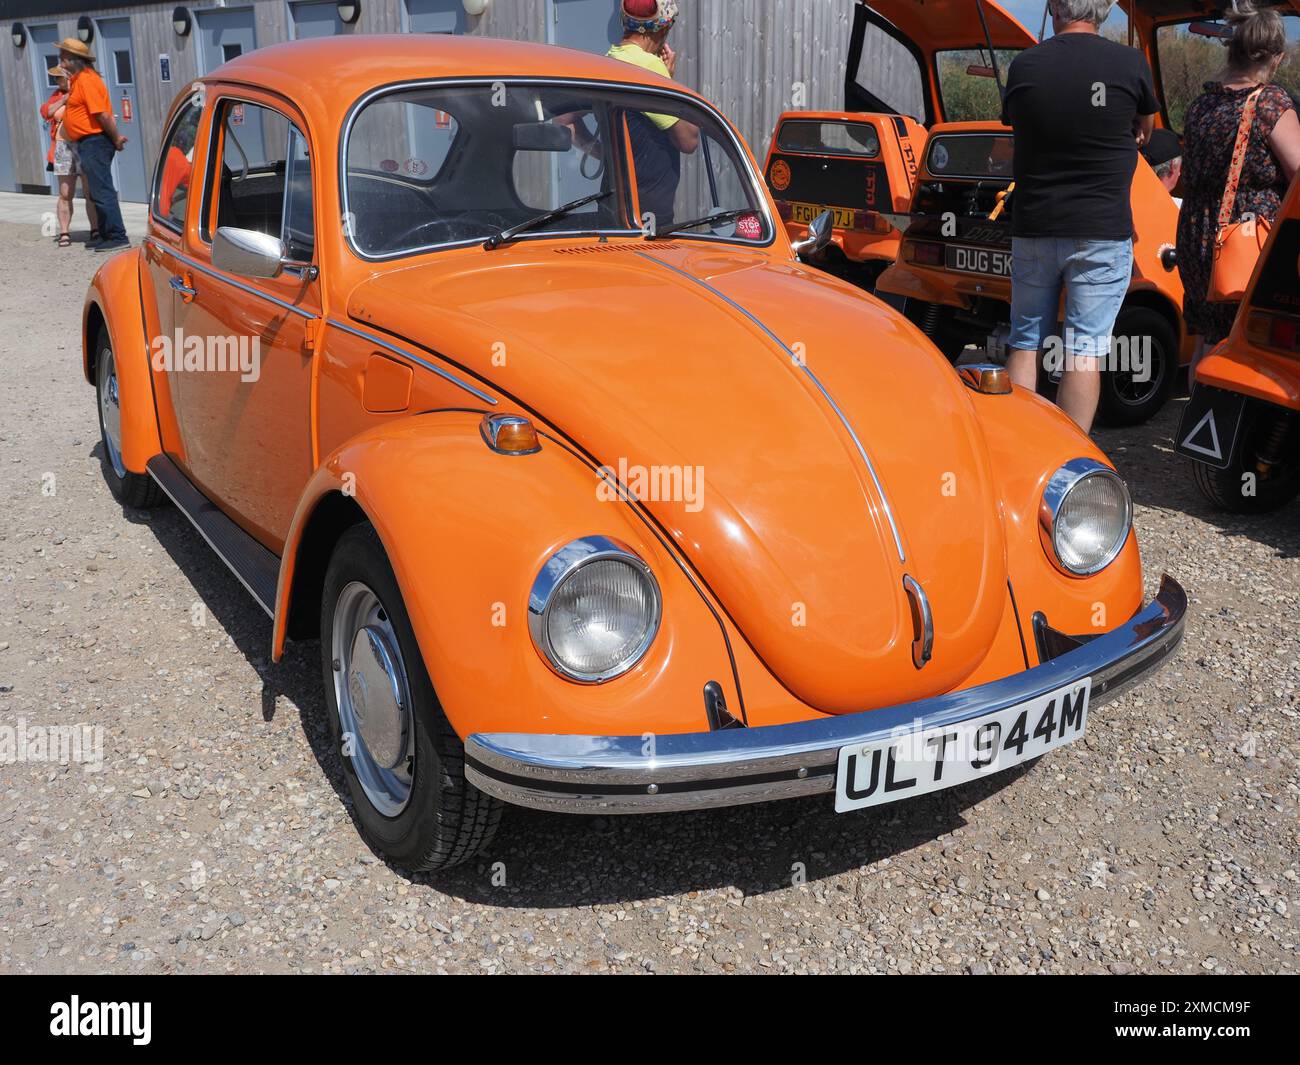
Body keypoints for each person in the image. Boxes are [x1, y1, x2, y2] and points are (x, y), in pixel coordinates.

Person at [1000, 0, 1159, 433]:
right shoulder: (1130, 63)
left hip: (1035, 225)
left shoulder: (1026, 66)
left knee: (1026, 340)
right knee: (1083, 350)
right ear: (1103, 11)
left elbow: (1017, 122)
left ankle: (1022, 447)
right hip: (1100, 232)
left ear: (1054, 10)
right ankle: (1068, 458)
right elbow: (1146, 127)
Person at [1176, 2, 1299, 352]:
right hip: (1243, 241)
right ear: (1275, 57)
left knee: (1207, 340)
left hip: (1198, 237)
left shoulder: (1202, 105)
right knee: (1247, 346)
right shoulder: (1269, 103)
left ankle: (1198, 406)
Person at [604, 0, 699, 228]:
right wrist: (668, 82)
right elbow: (689, 140)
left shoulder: (606, 59)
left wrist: (599, 151)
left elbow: (566, 120)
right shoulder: (649, 67)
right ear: (662, 28)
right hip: (649, 210)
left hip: (610, 202)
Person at [58, 38, 130, 252]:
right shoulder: (79, 79)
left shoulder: (88, 80)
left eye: (63, 58)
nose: (60, 63)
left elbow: (103, 115)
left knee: (102, 190)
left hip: (95, 141)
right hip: (87, 142)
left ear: (73, 60)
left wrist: (116, 138)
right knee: (96, 192)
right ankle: (106, 235)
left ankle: (118, 236)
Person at [41, 68, 99, 248]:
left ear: (69, 78)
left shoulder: (83, 93)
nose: (57, 81)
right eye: (55, 78)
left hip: (84, 146)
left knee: (90, 192)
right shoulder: (56, 96)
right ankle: (64, 231)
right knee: (66, 193)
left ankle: (95, 229)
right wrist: (64, 99)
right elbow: (47, 112)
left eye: (59, 77)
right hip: (63, 147)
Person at [1142, 127, 1183, 204]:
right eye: (1179, 168)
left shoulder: (1124, 201)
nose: (1179, 173)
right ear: (1173, 167)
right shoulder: (1182, 209)